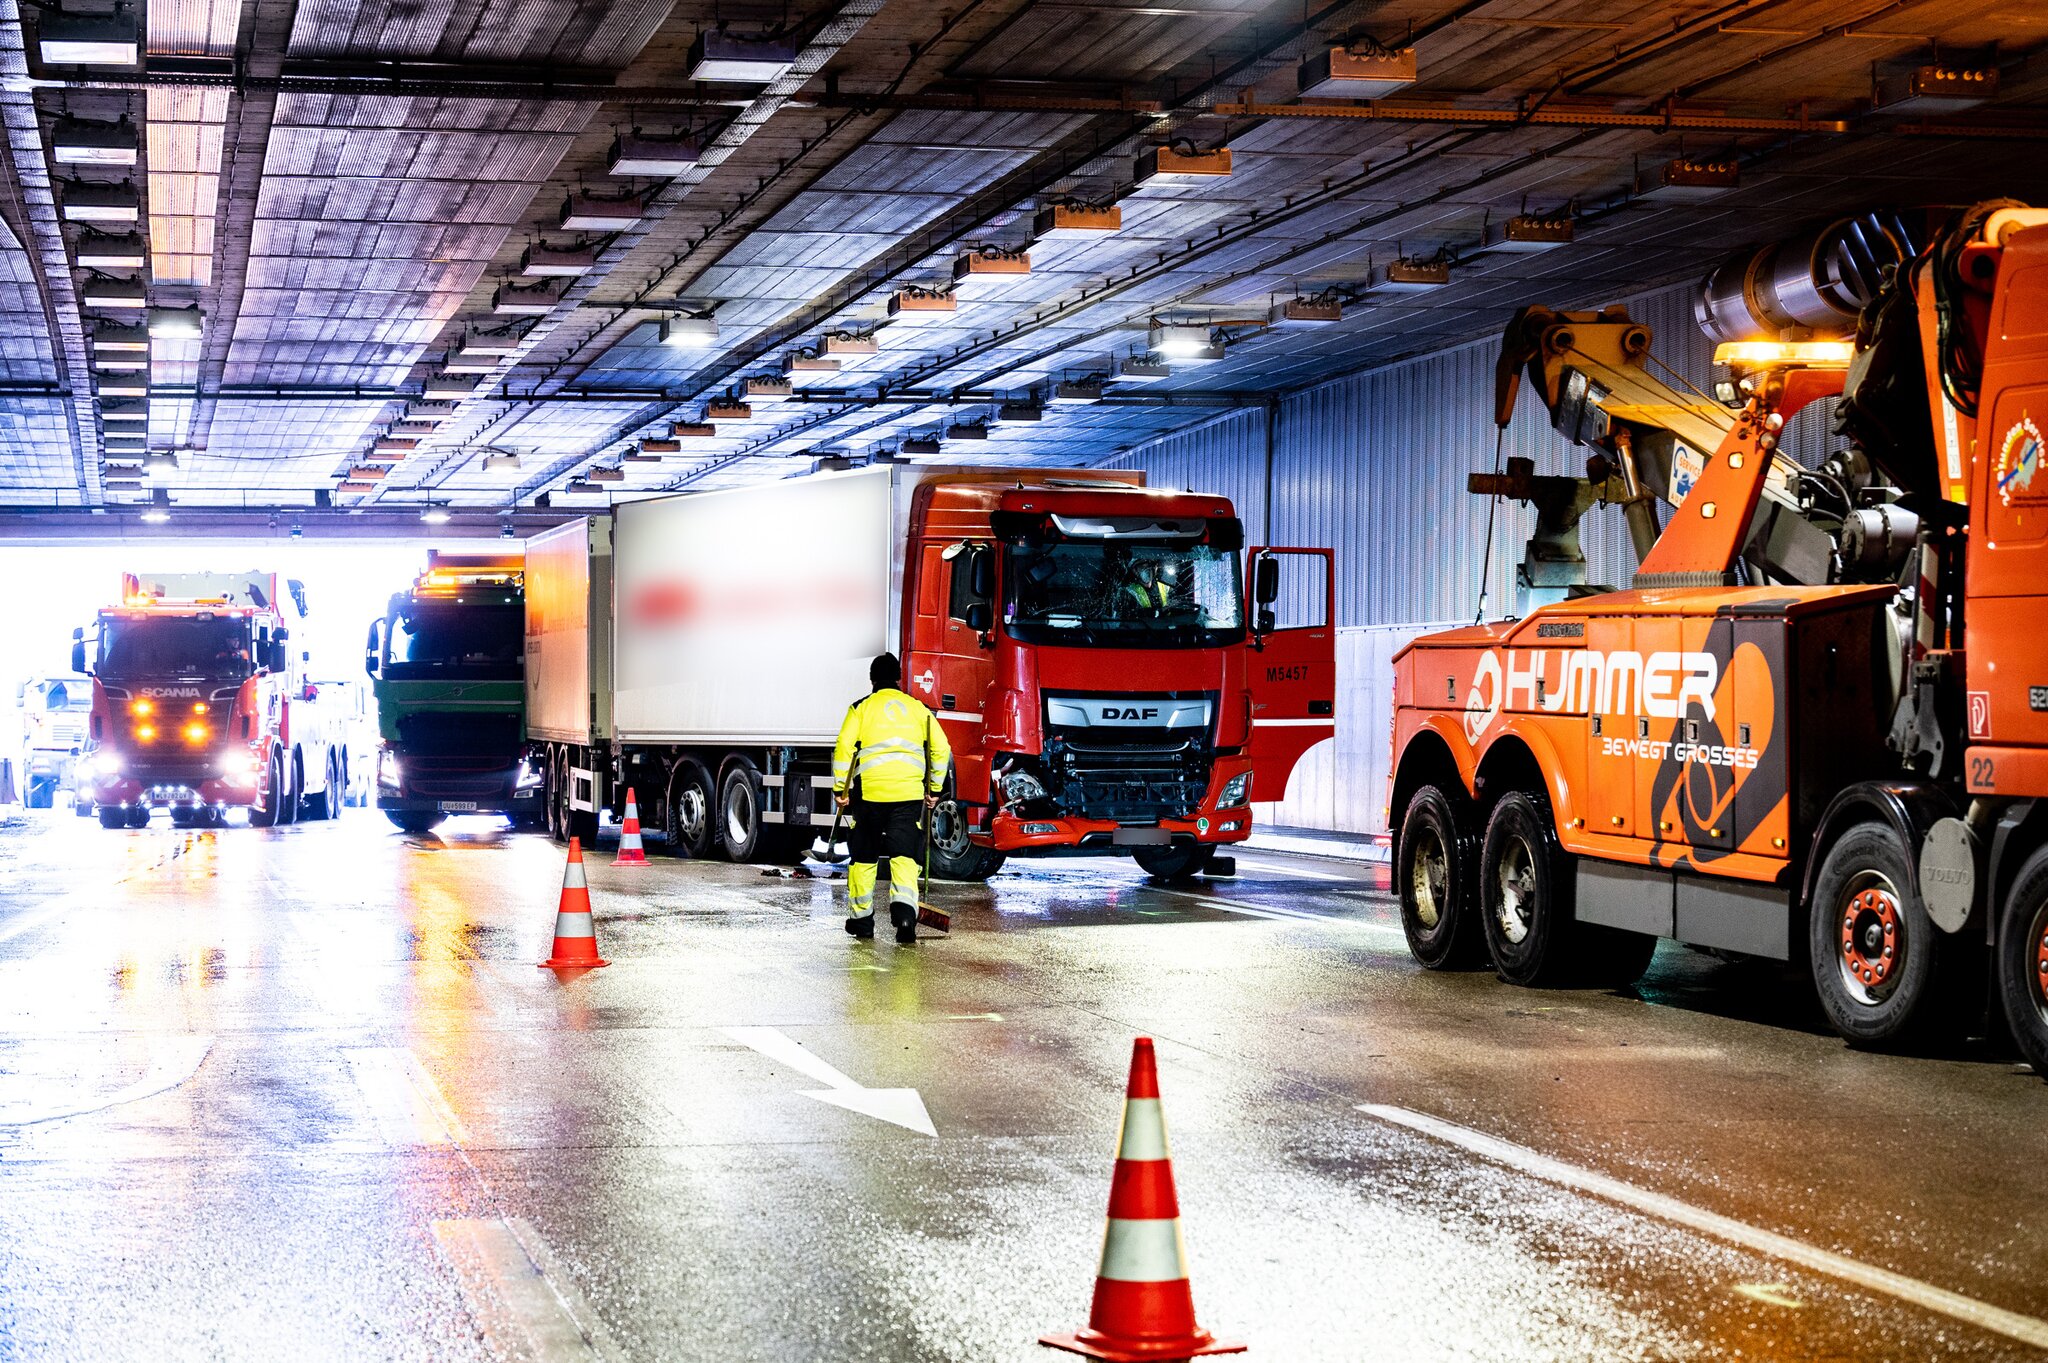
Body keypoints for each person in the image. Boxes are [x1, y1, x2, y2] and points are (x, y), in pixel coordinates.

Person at [832, 652, 951, 944]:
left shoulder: (860, 708)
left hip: (870, 797)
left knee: (864, 855)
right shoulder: (918, 709)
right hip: (908, 796)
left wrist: (841, 790)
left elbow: (844, 748)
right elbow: (942, 748)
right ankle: (906, 917)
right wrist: (934, 789)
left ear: (872, 679)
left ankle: (861, 922)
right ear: (898, 677)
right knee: (904, 854)